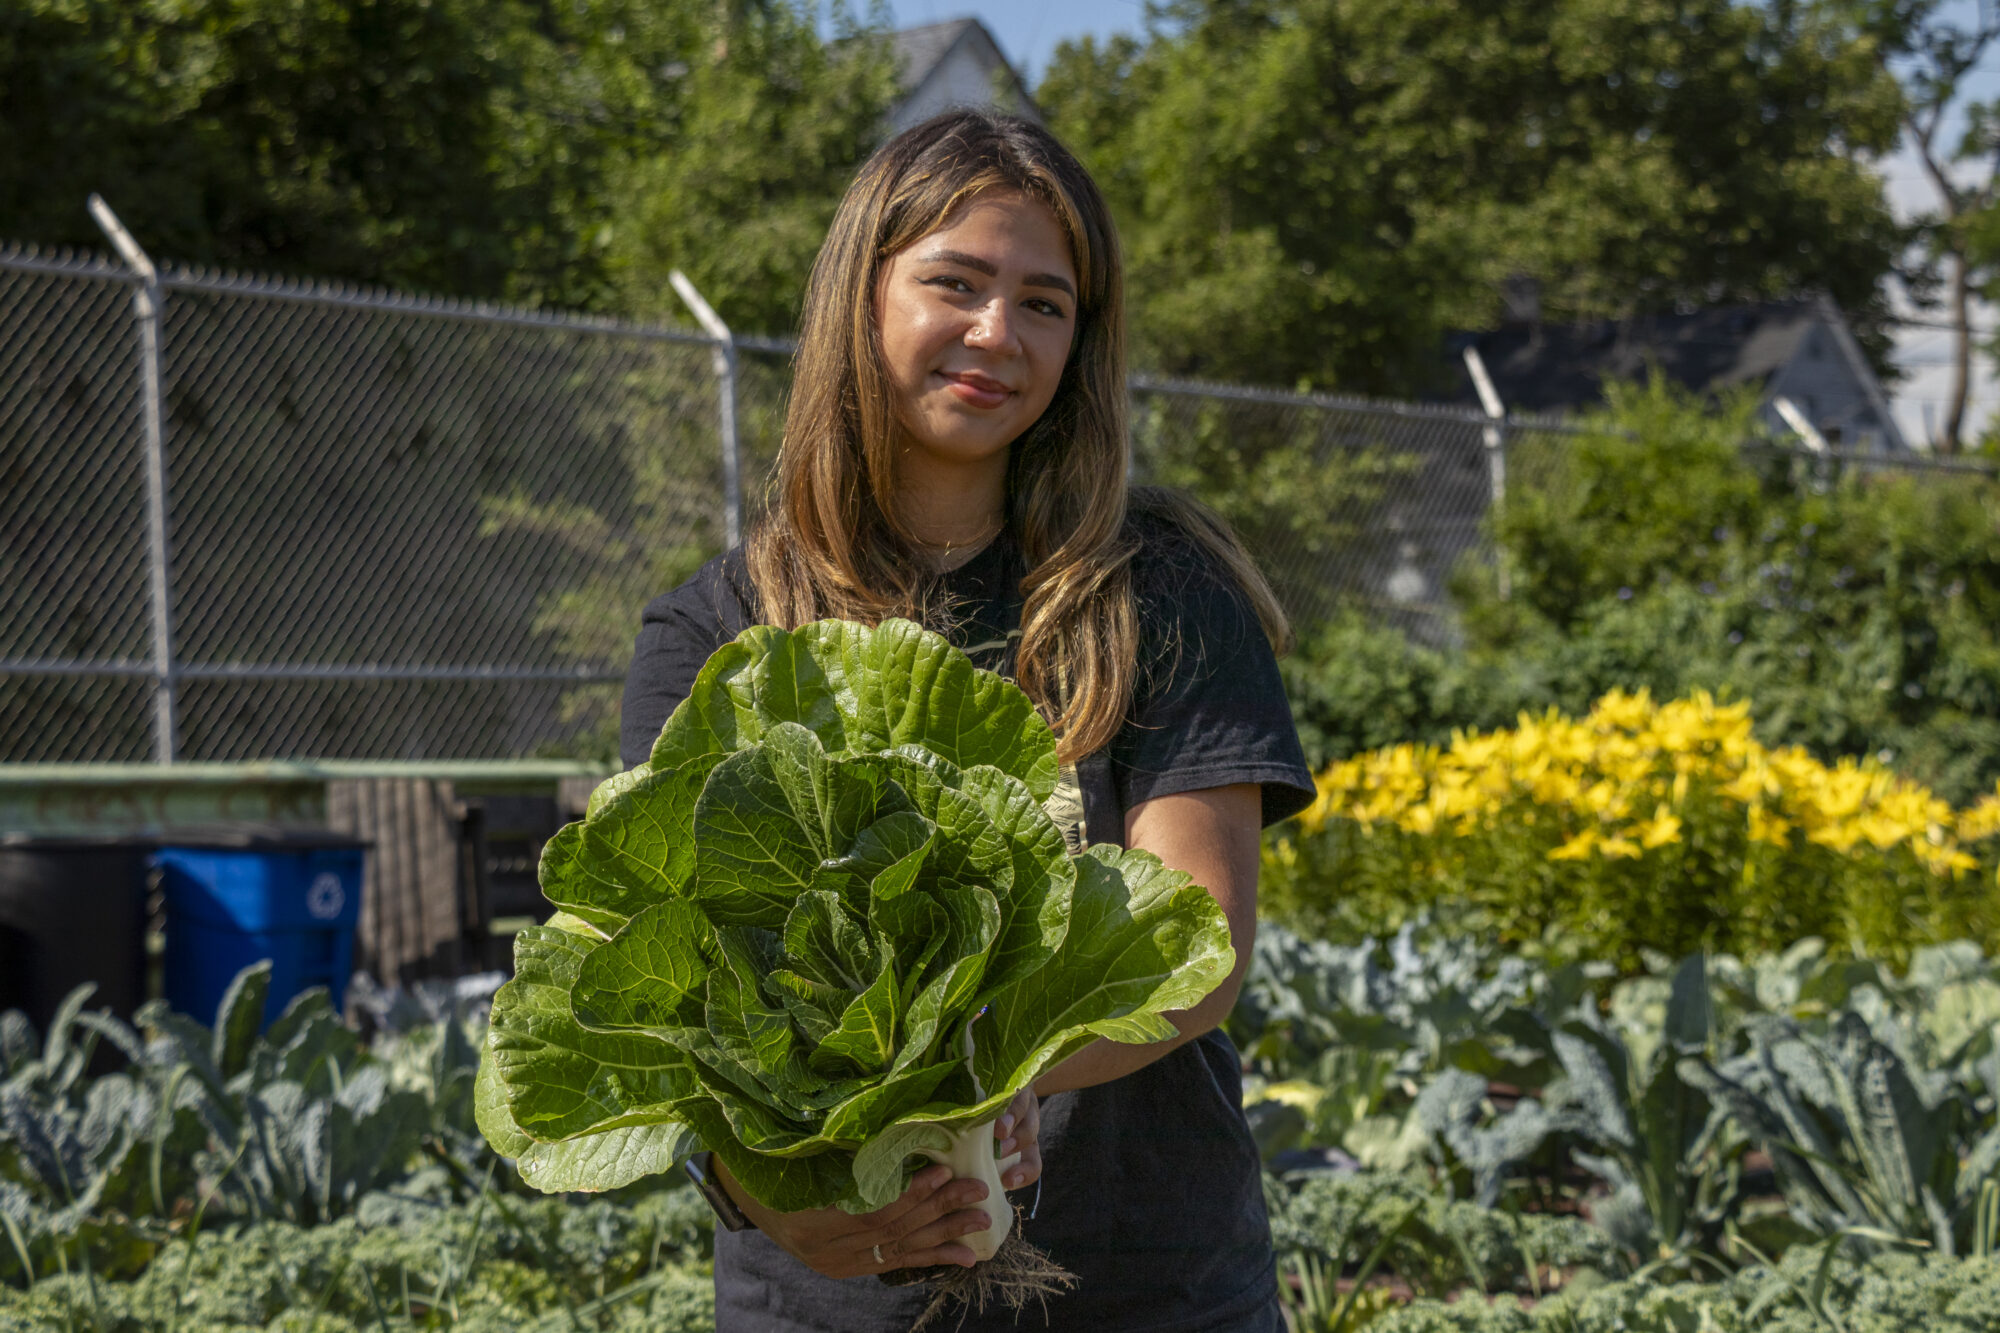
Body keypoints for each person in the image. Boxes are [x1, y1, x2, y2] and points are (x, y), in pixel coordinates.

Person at [619, 109, 1314, 1333]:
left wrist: (990, 1076)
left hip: (1144, 1288)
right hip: (824, 1308)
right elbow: (666, 996)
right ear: (862, 297)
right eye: (956, 282)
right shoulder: (714, 634)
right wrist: (764, 1197)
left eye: (1045, 304)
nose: (998, 332)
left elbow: (1195, 939)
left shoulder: (1161, 593)